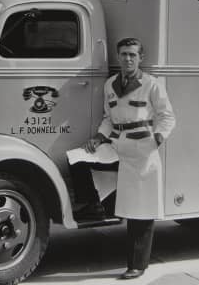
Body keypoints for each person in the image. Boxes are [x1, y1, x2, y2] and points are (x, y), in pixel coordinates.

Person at [73, 37, 176, 280]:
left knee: (141, 209)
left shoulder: (152, 84)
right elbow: (109, 118)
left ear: (141, 58)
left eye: (132, 54)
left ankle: (137, 265)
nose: (128, 59)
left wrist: (157, 140)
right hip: (117, 145)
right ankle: (96, 206)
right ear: (118, 57)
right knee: (77, 159)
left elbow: (167, 117)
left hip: (142, 150)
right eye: (123, 54)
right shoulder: (111, 85)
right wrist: (99, 138)